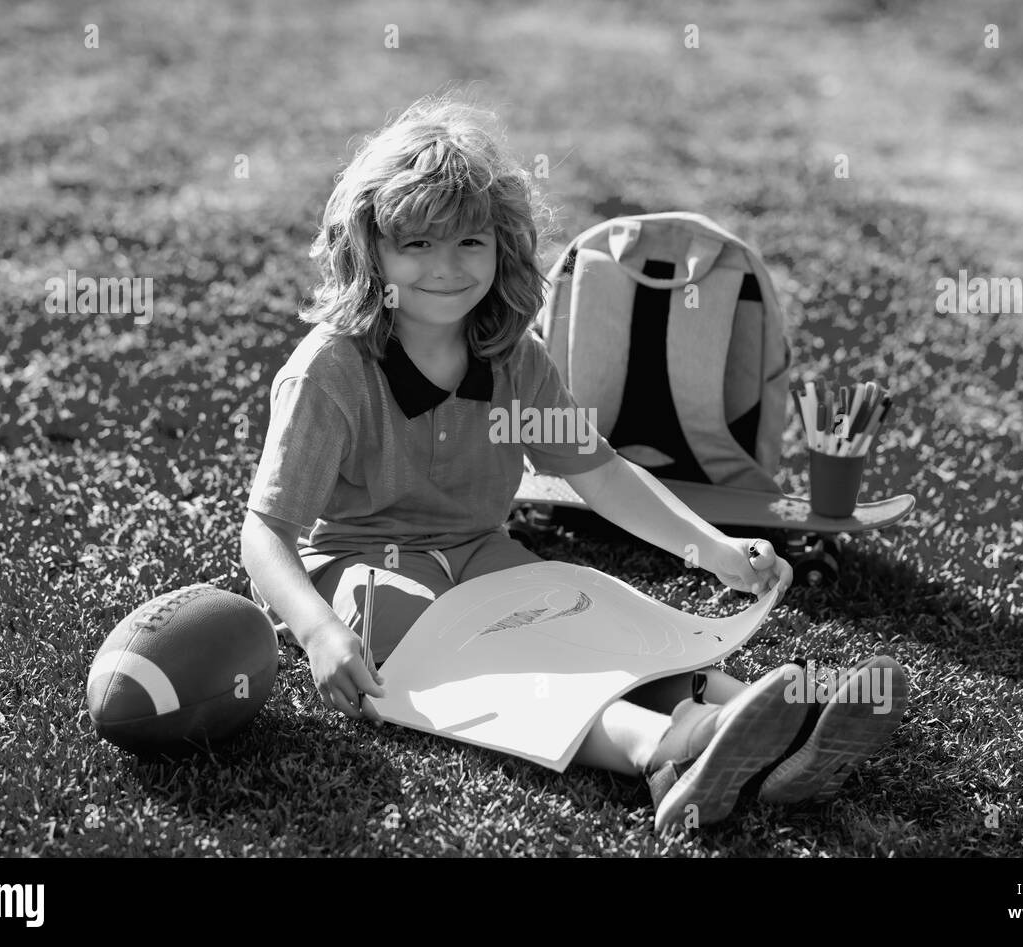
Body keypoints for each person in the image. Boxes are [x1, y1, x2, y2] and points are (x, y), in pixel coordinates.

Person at [241, 91, 906, 837]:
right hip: (361, 566)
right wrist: (320, 631)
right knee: (475, 650)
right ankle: (665, 745)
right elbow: (265, 534)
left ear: (503, 248)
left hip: (477, 553)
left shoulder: (512, 359)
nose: (446, 268)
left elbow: (602, 473)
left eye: (470, 242)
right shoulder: (329, 370)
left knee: (584, 614)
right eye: (417, 245)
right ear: (369, 252)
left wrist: (713, 548)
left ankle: (770, 723)